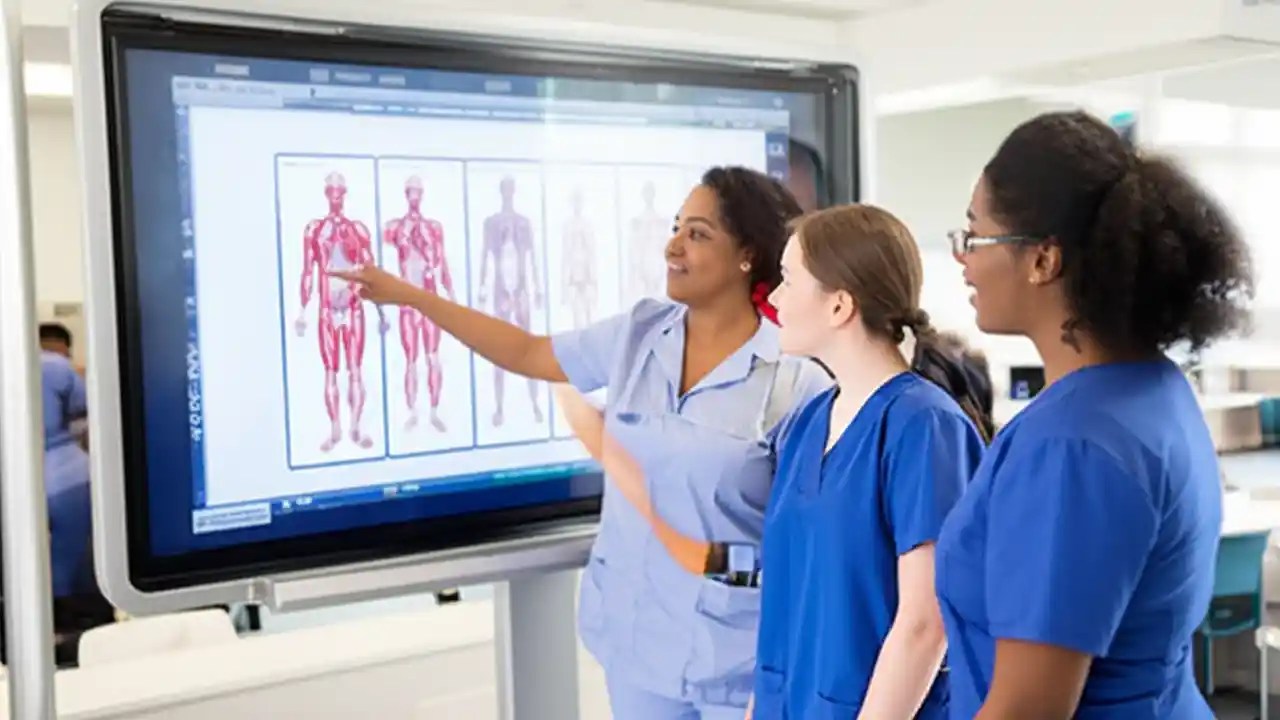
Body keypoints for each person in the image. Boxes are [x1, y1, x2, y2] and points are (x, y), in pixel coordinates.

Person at [333, 166, 831, 719]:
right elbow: (528, 352)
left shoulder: (795, 379)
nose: (673, 245)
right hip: (636, 647)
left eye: (697, 233)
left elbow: (812, 549)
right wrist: (410, 296)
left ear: (747, 256)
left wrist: (716, 564)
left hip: (738, 664)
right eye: (675, 227)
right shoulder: (641, 333)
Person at [937, 111, 1254, 718]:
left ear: (1043, 260)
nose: (963, 259)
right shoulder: (1153, 388)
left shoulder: (1071, 446)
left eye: (974, 237)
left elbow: (1026, 710)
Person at [748, 205, 989, 719]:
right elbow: (787, 606)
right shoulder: (805, 423)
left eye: (788, 280)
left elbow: (926, 623)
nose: (772, 298)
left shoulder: (924, 427)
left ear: (839, 306)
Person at [39, 324, 94, 599]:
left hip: (37, 479)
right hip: (69, 479)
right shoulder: (56, 368)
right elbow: (84, 420)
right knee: (73, 557)